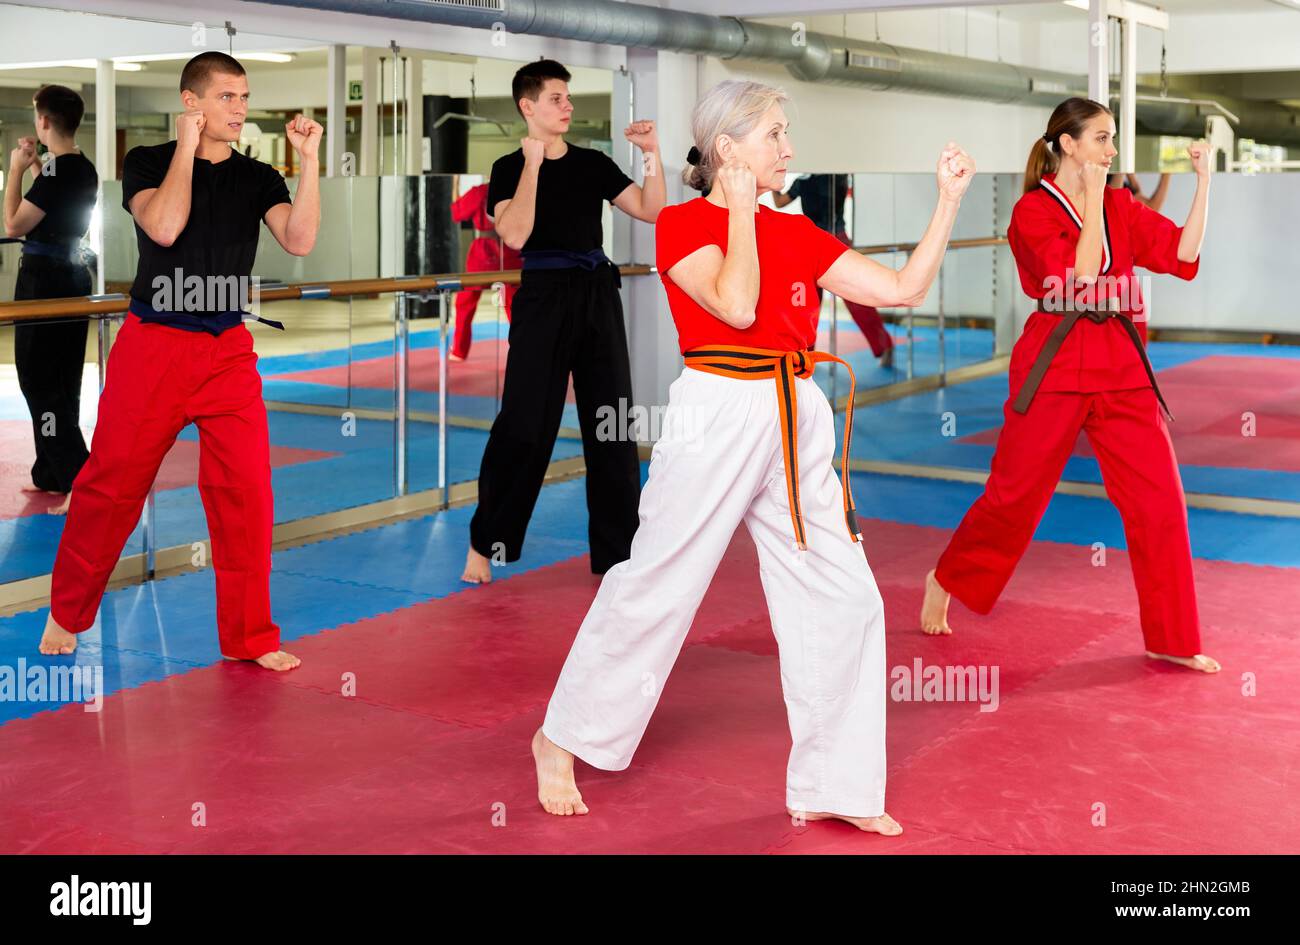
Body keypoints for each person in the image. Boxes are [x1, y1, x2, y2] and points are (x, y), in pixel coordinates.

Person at [531, 79, 975, 832]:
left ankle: (834, 784)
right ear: (728, 149)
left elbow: (901, 286)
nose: (789, 148)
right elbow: (735, 306)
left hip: (795, 410)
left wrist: (948, 200)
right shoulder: (679, 225)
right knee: (659, 582)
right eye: (774, 133)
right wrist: (740, 211)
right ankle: (560, 736)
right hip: (720, 408)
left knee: (846, 597)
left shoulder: (798, 231)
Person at [37, 52, 321, 672]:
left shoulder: (257, 177)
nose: (240, 109)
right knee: (112, 485)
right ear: (191, 102)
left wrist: (309, 165)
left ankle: (250, 635)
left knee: (246, 493)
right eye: (226, 98)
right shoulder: (146, 162)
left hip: (227, 351)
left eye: (244, 97)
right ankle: (67, 609)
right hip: (153, 346)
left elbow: (299, 240)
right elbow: (164, 228)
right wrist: (187, 152)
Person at [919, 97, 1218, 674]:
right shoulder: (1032, 212)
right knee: (1015, 497)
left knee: (1161, 502)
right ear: (1069, 145)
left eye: (1112, 140)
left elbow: (1182, 253)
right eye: (1102, 139)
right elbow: (1081, 277)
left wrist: (1204, 183)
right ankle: (947, 576)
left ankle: (1172, 638)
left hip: (1122, 368)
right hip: (1053, 365)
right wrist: (1089, 198)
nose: (1111, 150)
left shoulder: (1120, 204)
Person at [460, 59, 665, 584]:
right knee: (526, 425)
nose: (568, 105)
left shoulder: (593, 163)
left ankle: (619, 554)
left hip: (597, 295)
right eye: (557, 98)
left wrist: (652, 156)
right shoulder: (507, 168)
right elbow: (516, 235)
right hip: (544, 298)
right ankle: (487, 544)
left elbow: (650, 209)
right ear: (528, 107)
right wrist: (532, 165)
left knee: (612, 425)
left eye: (569, 97)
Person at [3, 85, 99, 515]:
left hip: (44, 279)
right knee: (62, 378)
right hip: (74, 275)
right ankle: (51, 471)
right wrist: (39, 163)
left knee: (38, 379)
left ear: (44, 121)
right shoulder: (82, 168)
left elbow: (15, 223)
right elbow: (57, 195)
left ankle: (80, 476)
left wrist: (14, 170)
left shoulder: (57, 172)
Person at [773, 173, 895, 366]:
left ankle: (805, 354)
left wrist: (774, 185)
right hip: (825, 239)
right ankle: (805, 353)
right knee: (823, 302)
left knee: (824, 302)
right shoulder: (833, 176)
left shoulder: (818, 179)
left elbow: (779, 202)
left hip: (825, 240)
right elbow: (780, 203)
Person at [448, 177, 520, 361]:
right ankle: (522, 349)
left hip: (484, 254)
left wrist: (454, 186)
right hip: (510, 251)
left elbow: (457, 213)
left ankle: (459, 350)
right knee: (513, 304)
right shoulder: (518, 190)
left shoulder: (479, 192)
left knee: (466, 302)